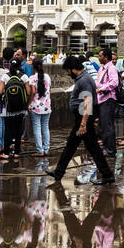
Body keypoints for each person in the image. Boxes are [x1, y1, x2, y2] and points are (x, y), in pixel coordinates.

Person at [49, 55, 114, 184]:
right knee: (72, 145)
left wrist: (83, 124)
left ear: (72, 69)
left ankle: (107, 175)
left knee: (92, 148)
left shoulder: (84, 80)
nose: (67, 74)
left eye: (67, 71)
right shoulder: (83, 78)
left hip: (84, 118)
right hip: (83, 118)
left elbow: (88, 102)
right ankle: (59, 172)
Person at [0, 58, 29, 162]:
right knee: (18, 130)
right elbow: (28, 92)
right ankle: (16, 152)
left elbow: (0, 91)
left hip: (8, 108)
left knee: (8, 130)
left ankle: (6, 152)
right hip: (20, 108)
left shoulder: (5, 76)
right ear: (20, 65)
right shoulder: (24, 76)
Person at [94, 48, 120, 157]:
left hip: (108, 99)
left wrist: (101, 89)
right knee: (103, 125)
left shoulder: (111, 68)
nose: (99, 58)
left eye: (100, 56)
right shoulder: (102, 69)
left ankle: (110, 149)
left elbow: (114, 82)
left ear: (106, 57)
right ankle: (107, 147)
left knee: (107, 125)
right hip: (101, 99)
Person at [26, 58, 52, 157]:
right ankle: (46, 149)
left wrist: (28, 104)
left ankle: (40, 150)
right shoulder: (47, 77)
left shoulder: (32, 78)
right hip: (47, 106)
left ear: (33, 67)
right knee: (45, 127)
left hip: (35, 106)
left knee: (37, 128)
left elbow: (32, 92)